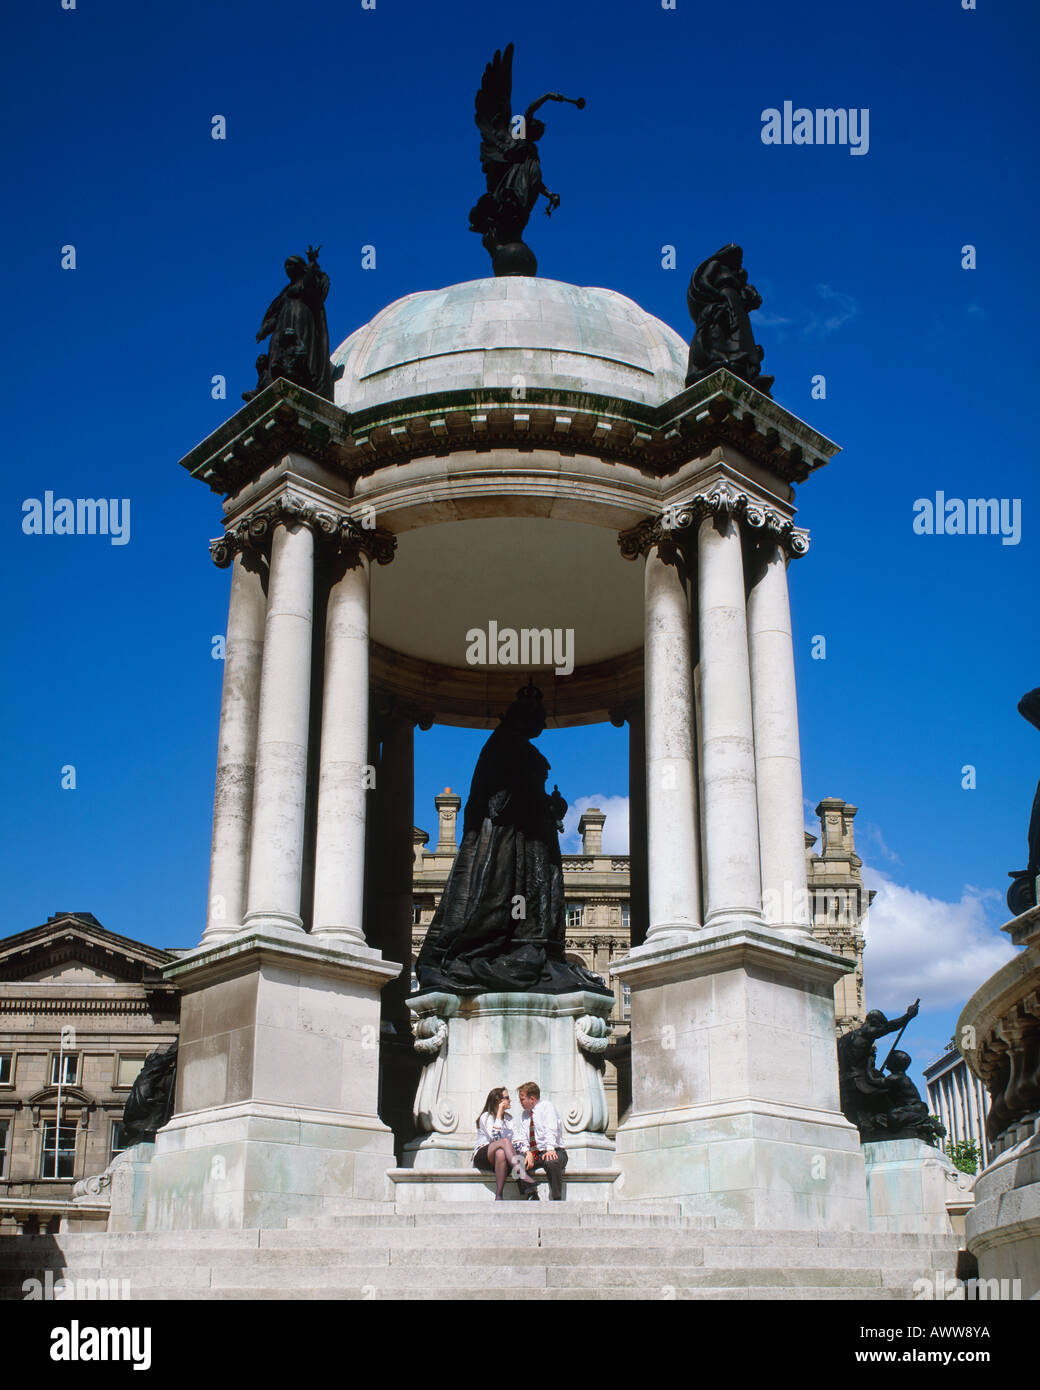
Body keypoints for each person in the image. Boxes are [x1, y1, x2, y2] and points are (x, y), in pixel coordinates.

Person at [473, 1086, 537, 1201]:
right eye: (507, 1098)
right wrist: (498, 1115)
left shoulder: (509, 1119)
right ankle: (521, 1174)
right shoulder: (486, 1117)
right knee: (504, 1142)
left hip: (500, 1157)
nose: (510, 1100)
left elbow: (516, 1140)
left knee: (501, 1153)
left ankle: (499, 1195)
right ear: (499, 1101)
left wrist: (527, 1152)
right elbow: (495, 1139)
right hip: (484, 1154)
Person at [514, 1081, 567, 1201]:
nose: (520, 1102)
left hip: (555, 1150)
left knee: (551, 1161)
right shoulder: (525, 1115)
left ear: (531, 1098)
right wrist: (527, 1152)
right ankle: (532, 1193)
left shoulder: (547, 1107)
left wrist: (550, 1149)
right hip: (536, 1154)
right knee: (516, 1161)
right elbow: (523, 1137)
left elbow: (551, 1128)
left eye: (522, 1099)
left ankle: (557, 1197)